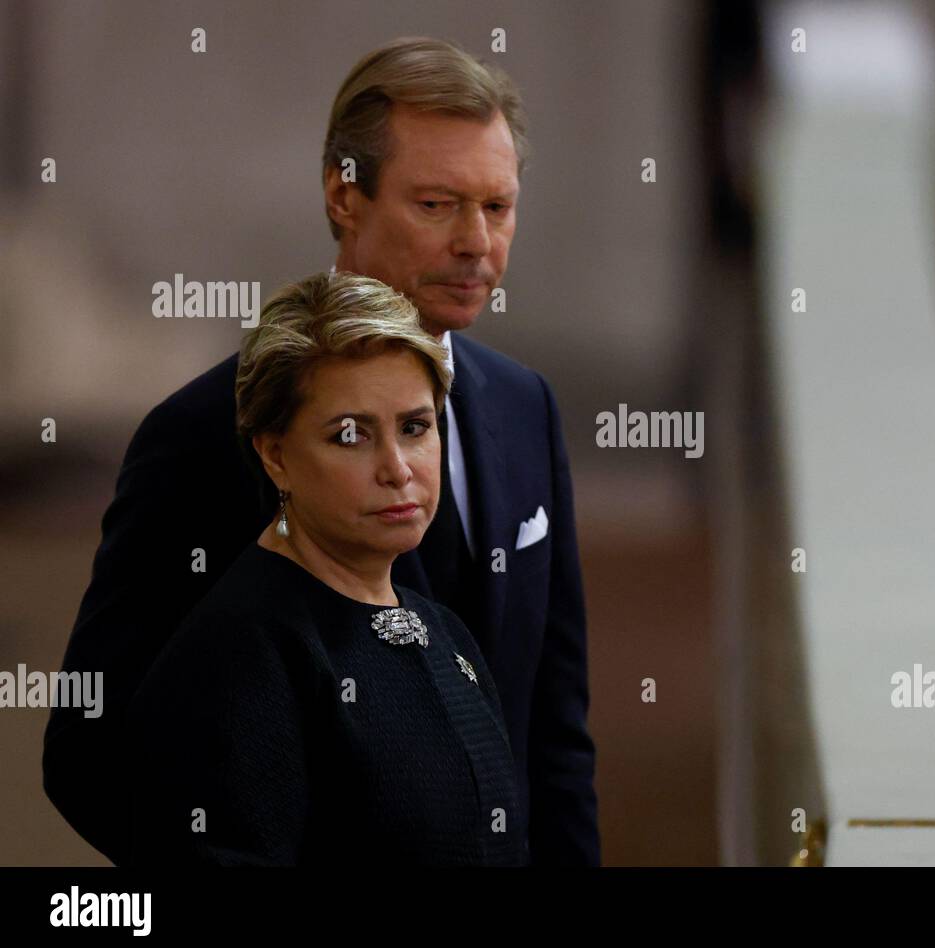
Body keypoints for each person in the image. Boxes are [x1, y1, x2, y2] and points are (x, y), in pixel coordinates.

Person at [44, 37, 598, 865]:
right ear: (345, 195)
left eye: (498, 206)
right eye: (438, 205)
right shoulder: (201, 433)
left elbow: (554, 735)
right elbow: (88, 752)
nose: (476, 243)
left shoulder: (524, 409)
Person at [127, 271, 524, 865]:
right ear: (276, 454)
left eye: (415, 428)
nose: (397, 468)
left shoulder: (445, 631)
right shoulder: (241, 653)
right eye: (350, 435)